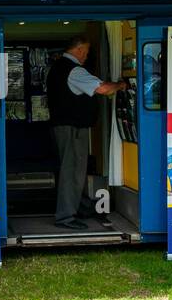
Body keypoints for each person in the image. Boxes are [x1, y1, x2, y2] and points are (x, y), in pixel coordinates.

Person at [46, 36, 128, 229]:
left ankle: (81, 207)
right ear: (80, 49)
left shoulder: (57, 68)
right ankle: (66, 217)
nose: (87, 56)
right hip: (72, 129)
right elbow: (103, 89)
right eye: (87, 52)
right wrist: (120, 85)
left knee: (75, 170)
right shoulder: (74, 70)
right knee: (72, 171)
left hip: (63, 127)